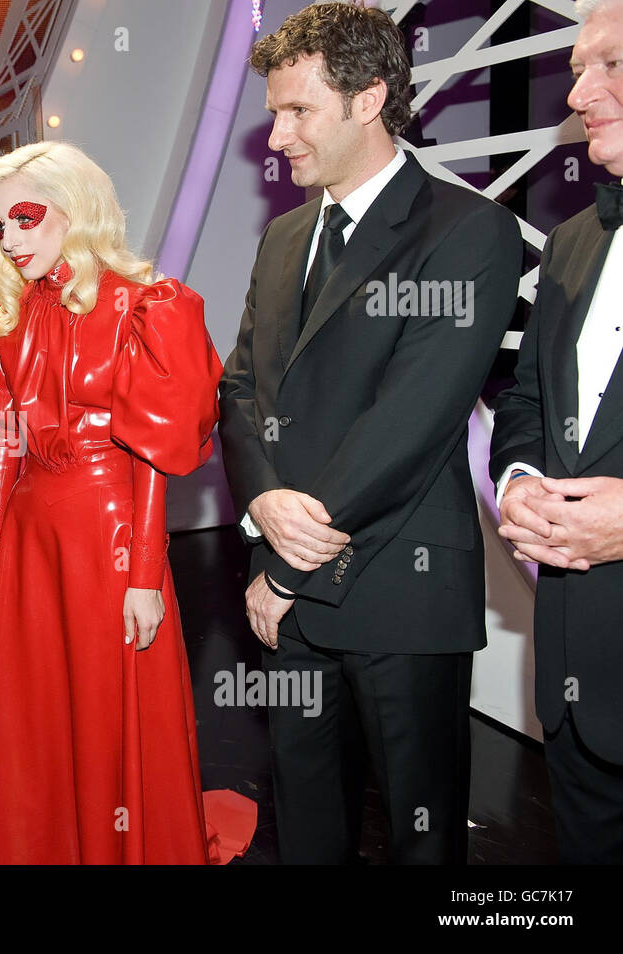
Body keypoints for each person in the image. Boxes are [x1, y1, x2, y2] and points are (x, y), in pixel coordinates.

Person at [218, 2, 523, 864]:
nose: (276, 136)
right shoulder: (283, 238)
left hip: (397, 592)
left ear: (368, 99)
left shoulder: (470, 232)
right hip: (288, 595)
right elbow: (239, 387)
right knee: (307, 824)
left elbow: (410, 425)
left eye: (296, 110)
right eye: (273, 111)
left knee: (422, 836)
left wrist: (281, 566)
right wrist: (263, 499)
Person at [0, 141, 253, 864]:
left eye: (26, 217)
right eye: (0, 226)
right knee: (39, 710)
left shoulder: (143, 305)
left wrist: (146, 573)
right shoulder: (8, 308)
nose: (12, 239)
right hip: (31, 530)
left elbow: (151, 455)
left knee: (112, 706)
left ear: (75, 208)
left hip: (110, 530)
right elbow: (4, 436)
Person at [489, 0, 623, 863]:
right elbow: (527, 405)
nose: (578, 92)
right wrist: (519, 483)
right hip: (578, 685)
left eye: (608, 64)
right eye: (577, 68)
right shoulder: (573, 241)